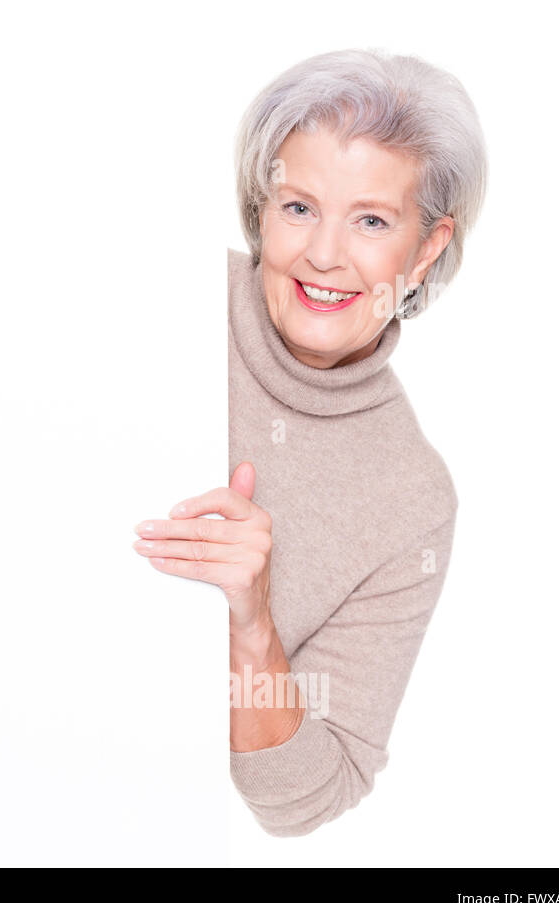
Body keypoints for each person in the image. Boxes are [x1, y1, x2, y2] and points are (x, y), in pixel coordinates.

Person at [134, 48, 487, 836]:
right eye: (298, 207)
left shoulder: (412, 503)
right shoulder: (155, 289)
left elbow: (306, 797)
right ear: (261, 206)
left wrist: (250, 623)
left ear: (426, 248)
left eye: (371, 220)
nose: (324, 255)